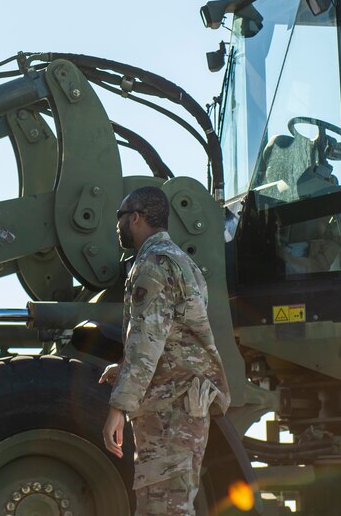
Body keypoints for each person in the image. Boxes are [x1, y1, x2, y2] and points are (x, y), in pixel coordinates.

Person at [98, 186, 230, 515]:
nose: (117, 226)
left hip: (170, 408)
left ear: (137, 218)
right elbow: (172, 336)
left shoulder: (152, 266)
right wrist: (123, 367)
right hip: (182, 403)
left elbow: (147, 340)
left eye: (120, 217)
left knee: (163, 507)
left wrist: (118, 407)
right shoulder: (182, 262)